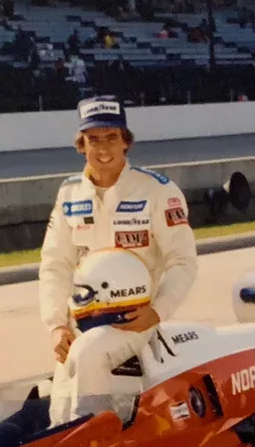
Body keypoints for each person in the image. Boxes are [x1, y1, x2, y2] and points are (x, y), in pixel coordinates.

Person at [40, 96, 198, 425]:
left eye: (112, 137)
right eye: (93, 138)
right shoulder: (69, 194)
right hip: (80, 321)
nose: (103, 148)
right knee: (58, 417)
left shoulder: (158, 191)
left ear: (126, 142)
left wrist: (157, 312)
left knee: (88, 357)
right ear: (80, 144)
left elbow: (183, 261)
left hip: (133, 320)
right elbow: (55, 264)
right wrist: (56, 326)